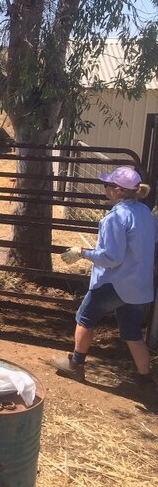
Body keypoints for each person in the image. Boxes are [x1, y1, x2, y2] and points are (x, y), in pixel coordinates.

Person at [49, 166, 157, 400]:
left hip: (114, 284)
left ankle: (75, 365)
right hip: (138, 285)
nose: (105, 189)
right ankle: (145, 381)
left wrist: (82, 253)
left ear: (118, 190)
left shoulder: (115, 218)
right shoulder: (145, 214)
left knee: (84, 318)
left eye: (107, 185)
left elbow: (111, 258)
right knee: (133, 333)